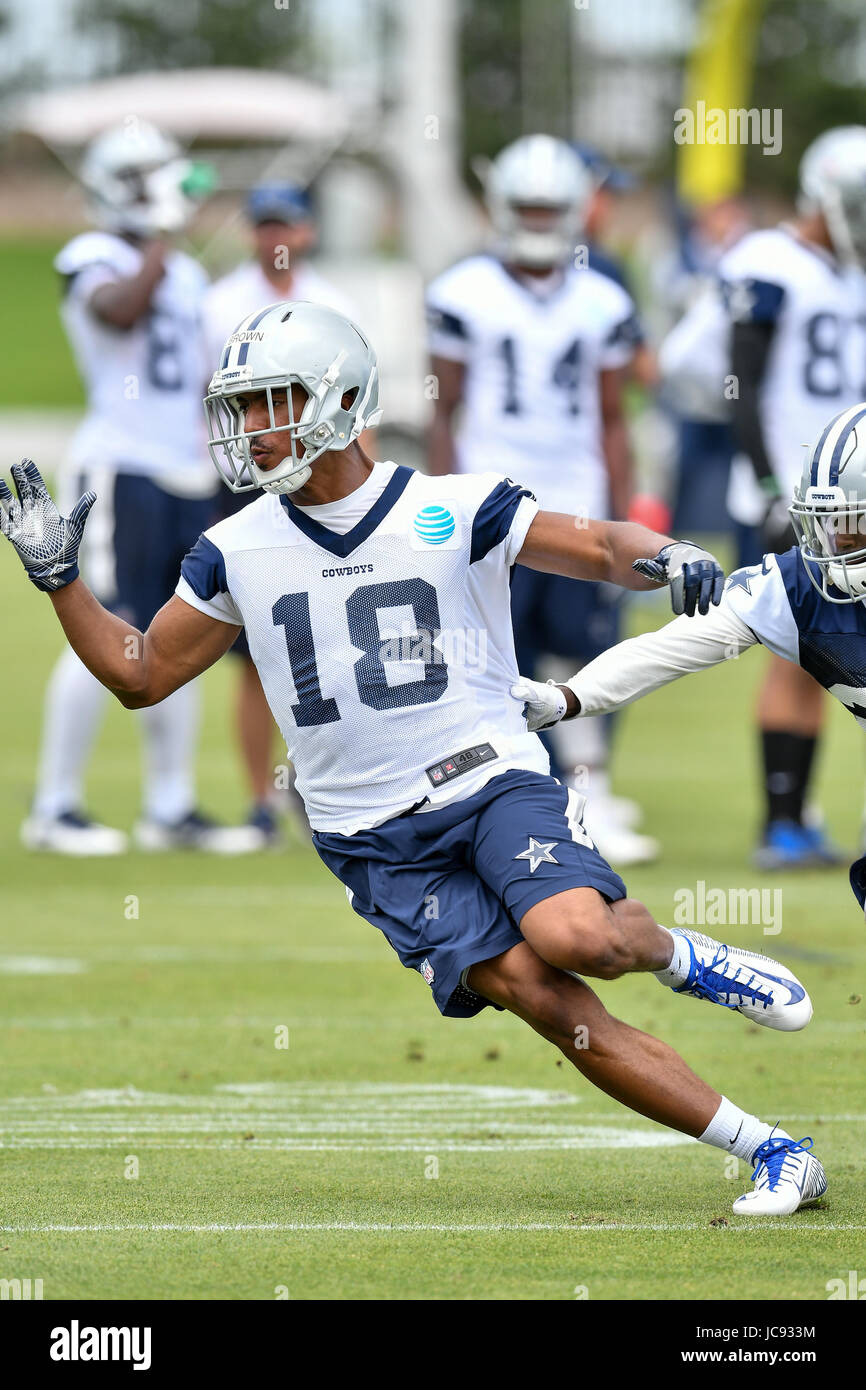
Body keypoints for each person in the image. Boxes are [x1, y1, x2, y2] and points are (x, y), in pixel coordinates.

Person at [0, 301, 826, 1216]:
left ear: (342, 400)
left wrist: (666, 554)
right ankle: (775, 1151)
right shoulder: (233, 548)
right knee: (549, 1004)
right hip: (371, 834)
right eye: (243, 406)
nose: (252, 429)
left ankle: (682, 956)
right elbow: (142, 674)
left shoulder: (450, 506)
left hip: (487, 774)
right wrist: (62, 582)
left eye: (272, 400)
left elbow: (595, 543)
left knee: (578, 938)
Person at [511, 400, 866, 910]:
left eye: (851, 525)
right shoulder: (800, 588)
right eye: (829, 524)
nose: (833, 544)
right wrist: (568, 698)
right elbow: (668, 650)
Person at [22, 120, 252, 854]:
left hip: (183, 467)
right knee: (103, 615)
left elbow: (202, 374)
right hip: (119, 465)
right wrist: (158, 231)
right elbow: (118, 309)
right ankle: (54, 808)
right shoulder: (93, 254)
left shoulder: (184, 271)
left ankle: (170, 806)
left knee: (176, 628)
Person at [426, 134, 655, 866]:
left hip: (580, 505)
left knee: (581, 653)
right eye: (526, 205)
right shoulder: (462, 290)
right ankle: (494, 802)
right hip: (491, 507)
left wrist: (626, 518)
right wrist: (439, 509)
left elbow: (615, 418)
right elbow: (443, 412)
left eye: (547, 206)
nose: (536, 219)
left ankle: (589, 796)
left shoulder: (602, 297)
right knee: (489, 656)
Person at [717, 126, 866, 869]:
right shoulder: (767, 261)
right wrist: (774, 485)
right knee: (798, 650)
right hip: (798, 493)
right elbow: (739, 384)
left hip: (855, 490)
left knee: (831, 654)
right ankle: (782, 821)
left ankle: (795, 816)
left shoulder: (850, 270)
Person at [202, 183, 363, 848]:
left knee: (343, 642)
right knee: (254, 653)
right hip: (247, 481)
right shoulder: (219, 304)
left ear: (305, 231)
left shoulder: (335, 300)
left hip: (325, 475)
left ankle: (334, 786)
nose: (274, 238)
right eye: (264, 224)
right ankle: (260, 798)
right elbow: (206, 404)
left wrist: (364, 483)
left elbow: (358, 401)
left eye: (285, 225)